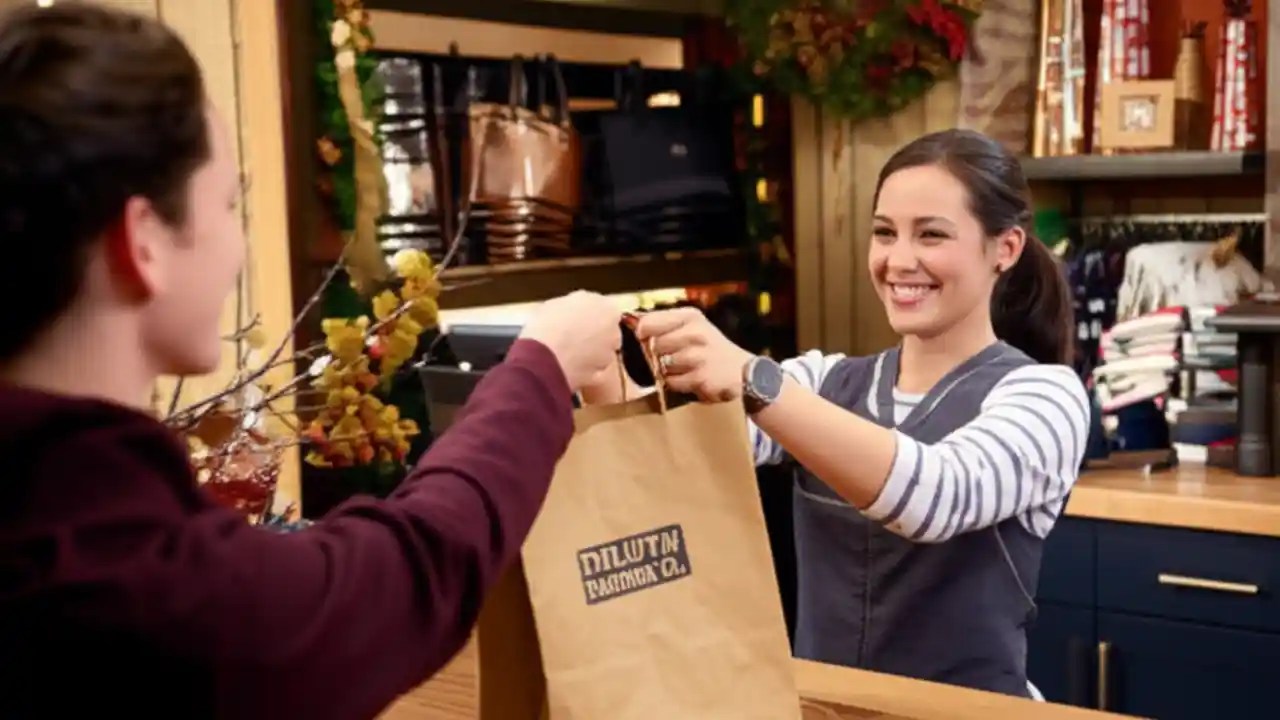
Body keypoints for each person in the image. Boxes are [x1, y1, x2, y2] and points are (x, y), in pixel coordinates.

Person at [0, 5, 620, 718]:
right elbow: (402, 578)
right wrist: (540, 367)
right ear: (144, 241)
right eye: (231, 204)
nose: (238, 246)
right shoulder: (112, 566)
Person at [585, 129, 1089, 697]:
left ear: (1007, 249)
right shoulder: (821, 381)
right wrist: (602, 372)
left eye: (931, 235)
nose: (899, 260)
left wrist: (754, 378)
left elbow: (935, 497)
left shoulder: (1045, 397)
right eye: (884, 233)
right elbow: (669, 459)